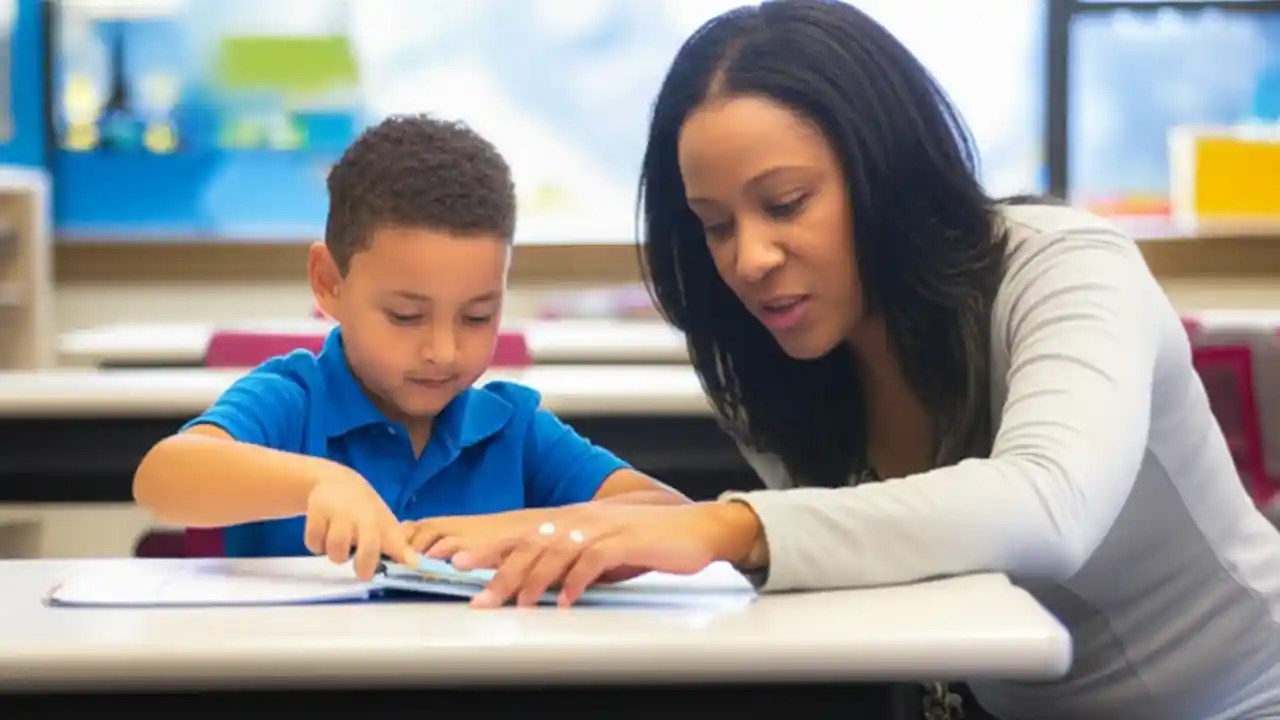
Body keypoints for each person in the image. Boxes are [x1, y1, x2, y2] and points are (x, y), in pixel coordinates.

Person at [403, 1, 1280, 718]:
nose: (748, 259)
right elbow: (871, 567)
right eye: (715, 224)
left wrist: (720, 527)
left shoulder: (1068, 265)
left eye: (785, 203)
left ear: (883, 168)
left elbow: (1049, 506)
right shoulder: (767, 350)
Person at [133, 114, 686, 582]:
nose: (444, 351)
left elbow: (671, 519)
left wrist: (526, 530)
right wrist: (321, 482)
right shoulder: (295, 401)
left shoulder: (511, 429)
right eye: (406, 315)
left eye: (477, 315)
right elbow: (163, 478)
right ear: (329, 282)